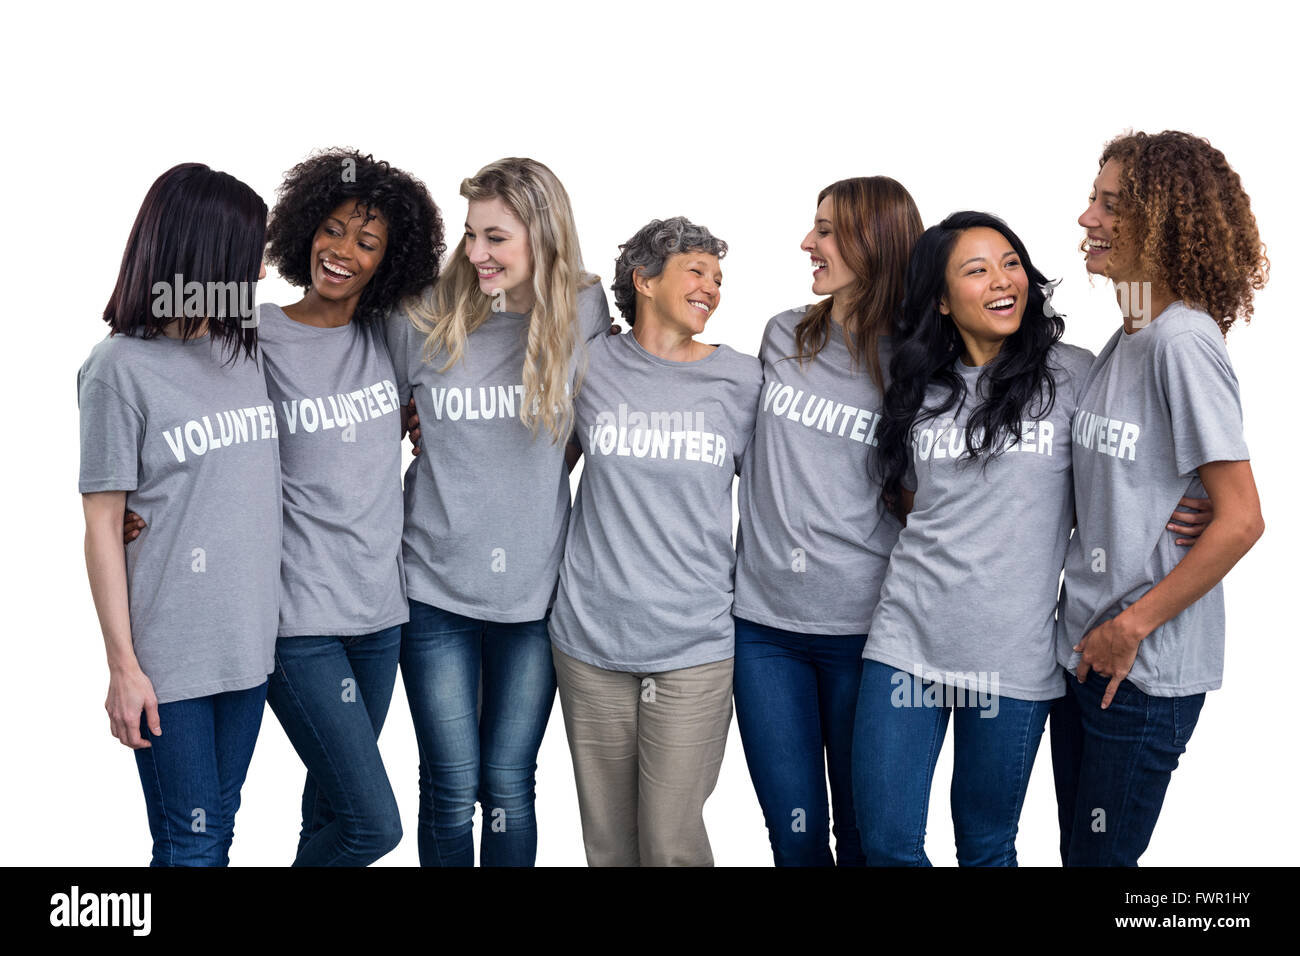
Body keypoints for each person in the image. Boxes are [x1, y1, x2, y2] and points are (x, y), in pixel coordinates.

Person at [122, 149, 445, 866]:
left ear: (388, 261)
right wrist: (132, 503)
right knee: (373, 826)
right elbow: (160, 361)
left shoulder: (388, 335)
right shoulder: (252, 332)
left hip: (381, 616)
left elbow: (478, 332)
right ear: (303, 232)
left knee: (329, 813)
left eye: (367, 243)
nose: (343, 252)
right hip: (297, 622)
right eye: (331, 230)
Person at [1050, 130, 1267, 867]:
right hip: (1089, 650)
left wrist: (1131, 625)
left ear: (1163, 221)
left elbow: (1240, 518)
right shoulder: (1130, 334)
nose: (1088, 220)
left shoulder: (1182, 342)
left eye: (1112, 206)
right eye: (1092, 200)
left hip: (1141, 669)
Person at [387, 157, 611, 866]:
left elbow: (592, 425)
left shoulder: (582, 308)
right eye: (470, 235)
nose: (477, 253)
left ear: (543, 237)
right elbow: (366, 422)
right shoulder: (421, 313)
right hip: (433, 590)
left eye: (497, 238)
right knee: (450, 786)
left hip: (535, 596)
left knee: (510, 784)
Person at [854, 211, 1094, 866]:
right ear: (940, 298)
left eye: (1011, 262)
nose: (1001, 279)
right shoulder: (918, 388)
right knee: (885, 846)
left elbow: (1129, 464)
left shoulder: (1074, 375)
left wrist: (1186, 500)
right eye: (976, 269)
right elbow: (911, 501)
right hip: (906, 642)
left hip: (1011, 657)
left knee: (985, 850)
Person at [79, 163, 280, 865]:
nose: (261, 268)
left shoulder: (243, 351)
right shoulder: (118, 369)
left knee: (214, 831)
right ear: (206, 255)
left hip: (250, 650)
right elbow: (103, 523)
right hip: (172, 661)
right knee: (192, 843)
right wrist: (123, 668)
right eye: (250, 252)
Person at [549, 216, 763, 866]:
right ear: (643, 280)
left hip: (693, 646)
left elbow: (782, 495)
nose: (711, 287)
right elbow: (543, 463)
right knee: (609, 847)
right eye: (695, 270)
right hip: (589, 641)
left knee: (670, 846)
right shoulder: (591, 364)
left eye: (718, 278)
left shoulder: (744, 381)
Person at [732, 176, 922, 866]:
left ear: (877, 244)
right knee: (797, 837)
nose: (808, 243)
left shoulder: (917, 365)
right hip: (763, 630)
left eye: (828, 231)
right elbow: (722, 439)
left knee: (869, 839)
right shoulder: (782, 335)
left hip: (867, 635)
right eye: (814, 227)